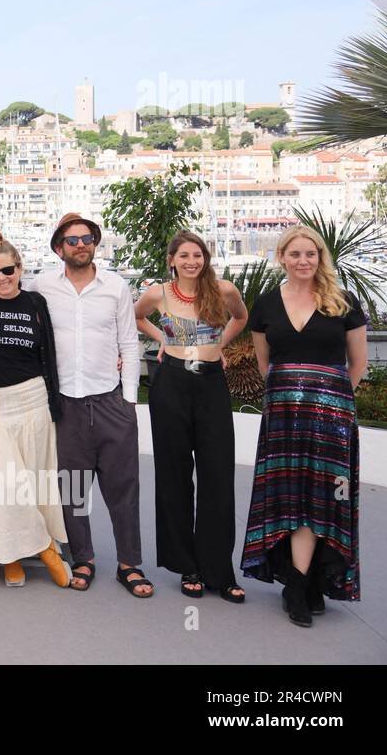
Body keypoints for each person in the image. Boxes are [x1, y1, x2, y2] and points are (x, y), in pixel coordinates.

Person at [0, 214, 150, 596]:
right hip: (65, 403)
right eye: (71, 240)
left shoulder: (115, 287)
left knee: (123, 485)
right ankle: (84, 559)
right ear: (59, 248)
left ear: (95, 243)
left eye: (86, 238)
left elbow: (129, 342)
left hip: (110, 399)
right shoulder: (42, 288)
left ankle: (130, 564)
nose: (80, 245)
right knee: (72, 489)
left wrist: (128, 399)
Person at [241, 225, 367, 626]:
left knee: (326, 497)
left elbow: (358, 364)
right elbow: (265, 365)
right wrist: (291, 392)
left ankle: (307, 582)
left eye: (310, 254)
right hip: (282, 418)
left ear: (320, 258)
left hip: (332, 420)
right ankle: (298, 585)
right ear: (282, 257)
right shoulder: (264, 304)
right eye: (295, 254)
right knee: (287, 495)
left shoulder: (343, 302)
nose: (303, 261)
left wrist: (332, 401)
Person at [134, 229, 248, 603]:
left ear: (205, 259)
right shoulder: (158, 294)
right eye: (184, 256)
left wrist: (219, 345)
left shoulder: (224, 290)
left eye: (197, 255)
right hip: (171, 384)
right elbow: (137, 318)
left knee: (217, 474)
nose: (191, 262)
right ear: (172, 260)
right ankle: (188, 566)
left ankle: (220, 569)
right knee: (174, 473)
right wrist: (162, 340)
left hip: (211, 383)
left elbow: (240, 319)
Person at [0, 228, 70, 589]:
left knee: (32, 482)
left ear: (20, 268)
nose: (1, 278)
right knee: (0, 484)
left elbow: (51, 353)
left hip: (32, 401)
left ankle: (18, 555)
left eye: (7, 270)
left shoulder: (36, 304)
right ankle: (40, 550)